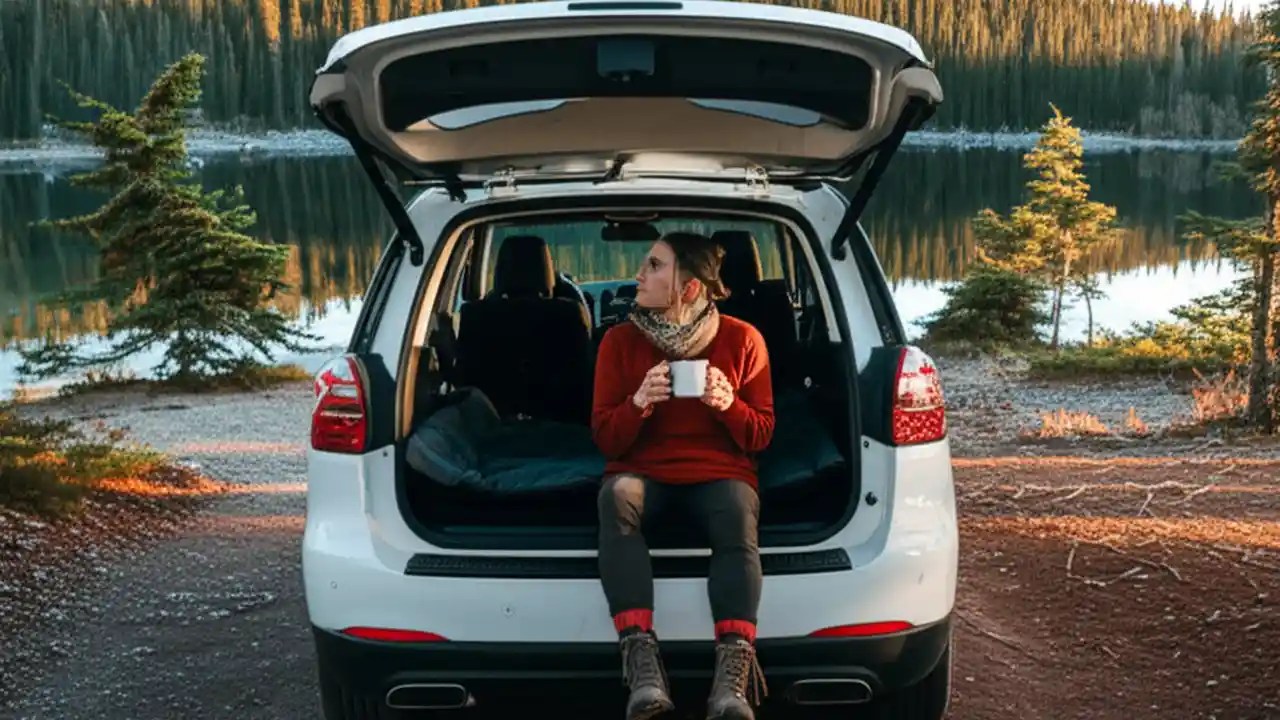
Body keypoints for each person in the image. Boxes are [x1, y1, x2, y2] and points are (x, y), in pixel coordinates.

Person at [590, 232, 775, 720]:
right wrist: (638, 404)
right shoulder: (619, 341)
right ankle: (644, 667)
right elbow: (606, 439)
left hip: (719, 474)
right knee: (617, 498)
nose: (638, 275)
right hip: (641, 472)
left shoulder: (742, 339)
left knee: (737, 509)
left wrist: (728, 405)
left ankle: (732, 681)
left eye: (653, 266)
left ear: (689, 287)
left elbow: (760, 435)